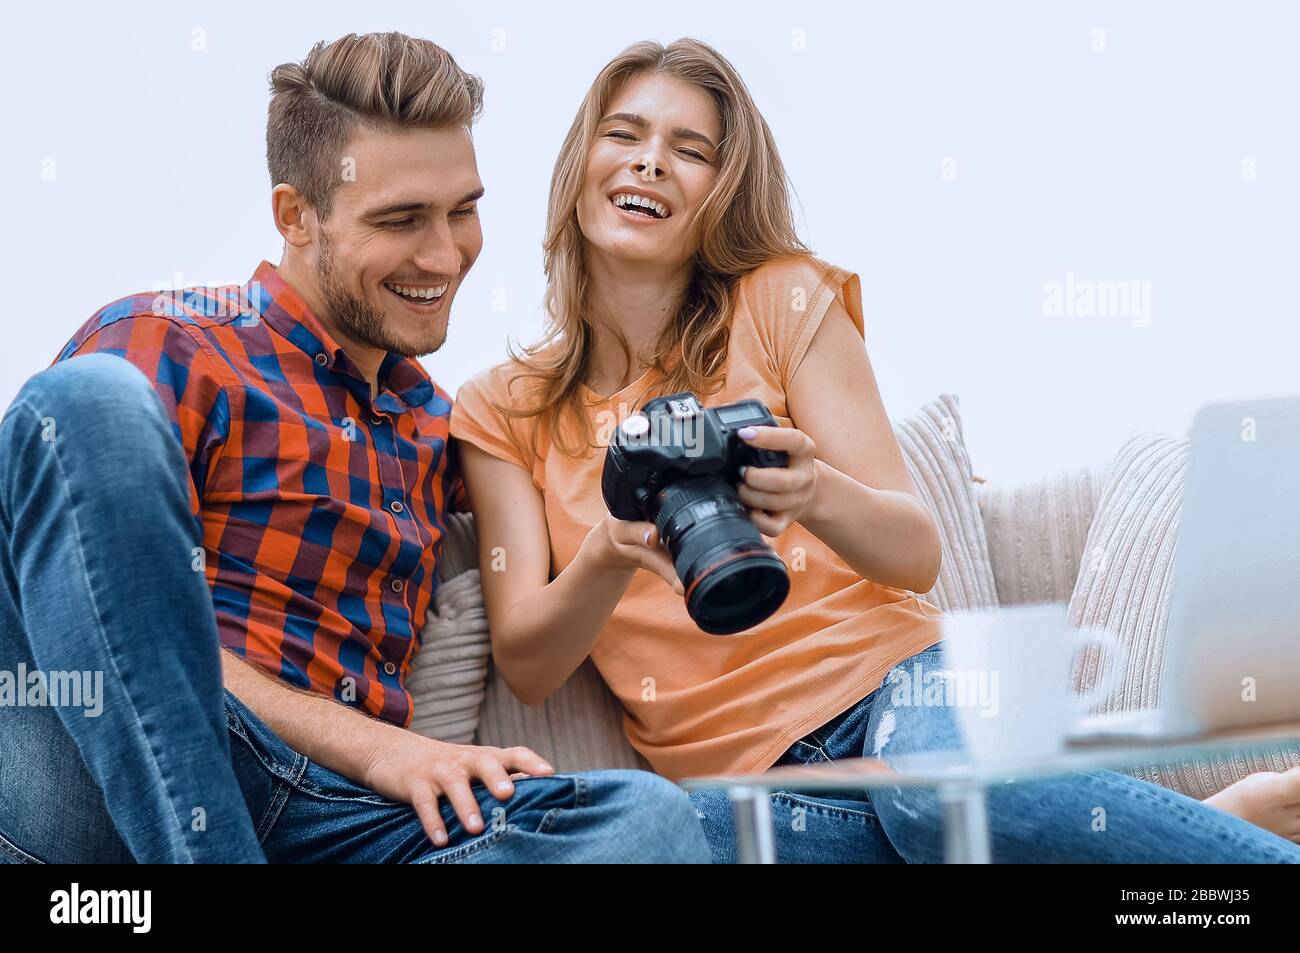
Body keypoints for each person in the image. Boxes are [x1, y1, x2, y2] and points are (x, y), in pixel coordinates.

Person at [449, 37, 1300, 863]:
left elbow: (916, 551)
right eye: (624, 133)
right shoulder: (502, 407)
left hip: (903, 688)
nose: (650, 161)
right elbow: (528, 659)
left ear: (722, 191)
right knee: (672, 842)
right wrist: (608, 552)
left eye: (690, 149)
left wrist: (812, 490)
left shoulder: (780, 300)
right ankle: (1167, 827)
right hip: (740, 784)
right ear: (580, 164)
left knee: (928, 796)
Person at [0, 31, 710, 865]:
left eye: (463, 210)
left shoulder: (448, 426)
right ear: (296, 215)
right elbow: (90, 619)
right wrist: (377, 745)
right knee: (85, 403)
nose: (444, 256)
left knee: (644, 824)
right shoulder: (175, 341)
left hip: (338, 822)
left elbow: (593, 461)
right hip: (107, 788)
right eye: (400, 220)